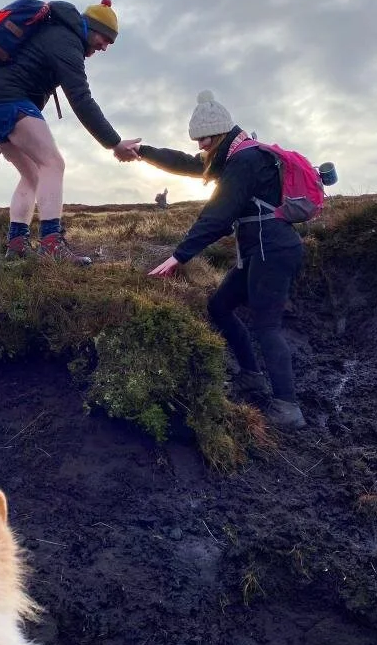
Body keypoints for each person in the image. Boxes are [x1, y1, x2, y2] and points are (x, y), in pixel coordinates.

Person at [122, 90, 306, 430]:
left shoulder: (245, 161)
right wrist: (144, 153)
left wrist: (179, 255)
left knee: (266, 326)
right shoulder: (232, 156)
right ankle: (252, 377)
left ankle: (287, 407)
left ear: (220, 133)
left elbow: (218, 215)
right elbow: (186, 163)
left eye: (204, 140)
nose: (200, 147)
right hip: (258, 249)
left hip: (273, 251)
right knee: (219, 306)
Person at [0, 0, 140, 264]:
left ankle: (16, 244)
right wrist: (115, 143)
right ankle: (51, 244)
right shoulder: (66, 40)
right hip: (8, 101)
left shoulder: (55, 33)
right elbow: (81, 100)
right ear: (92, 27)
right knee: (53, 163)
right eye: (105, 38)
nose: (105, 47)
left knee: (32, 175)